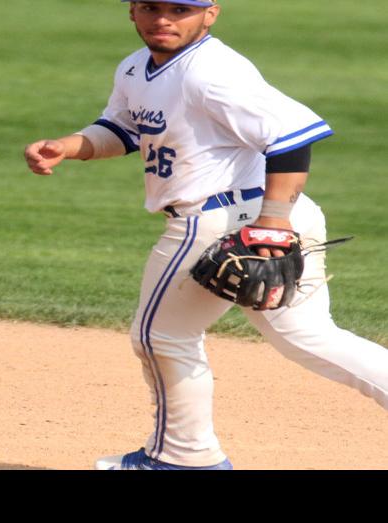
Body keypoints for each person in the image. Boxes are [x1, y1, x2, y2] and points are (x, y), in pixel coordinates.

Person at [23, 0, 388, 470]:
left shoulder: (210, 71)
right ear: (131, 11)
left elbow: (293, 135)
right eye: (151, 8)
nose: (163, 20)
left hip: (229, 221)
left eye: (180, 9)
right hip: (265, 214)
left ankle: (183, 458)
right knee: (308, 335)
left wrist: (273, 223)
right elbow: (124, 128)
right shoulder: (137, 68)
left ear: (210, 14)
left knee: (161, 335)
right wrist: (69, 147)